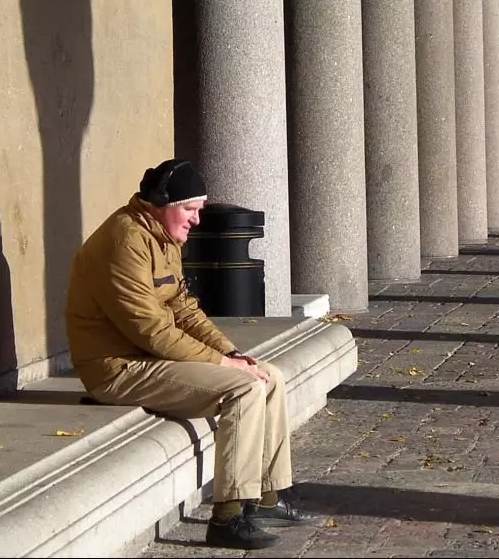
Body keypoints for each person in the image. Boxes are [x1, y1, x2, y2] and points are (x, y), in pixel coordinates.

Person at [65, 158, 320, 550]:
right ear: (161, 204)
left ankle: (266, 497)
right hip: (118, 368)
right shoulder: (123, 241)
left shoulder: (162, 238)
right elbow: (151, 330)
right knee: (242, 389)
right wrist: (222, 364)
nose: (197, 220)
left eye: (198, 210)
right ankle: (228, 516)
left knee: (268, 376)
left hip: (152, 359)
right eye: (190, 209)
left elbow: (184, 308)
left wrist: (232, 352)